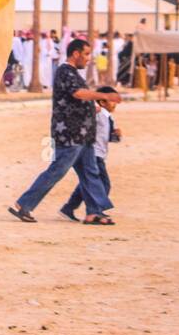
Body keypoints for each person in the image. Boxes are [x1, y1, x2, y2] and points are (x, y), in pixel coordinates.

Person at [9, 38, 120, 225]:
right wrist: (104, 96)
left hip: (83, 135)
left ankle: (94, 212)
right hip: (70, 135)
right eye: (85, 54)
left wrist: (92, 109)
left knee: (90, 173)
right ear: (75, 53)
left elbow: (75, 100)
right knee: (56, 171)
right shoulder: (65, 71)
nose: (88, 59)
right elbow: (78, 94)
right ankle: (24, 204)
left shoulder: (74, 73)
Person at [61, 85, 120, 221]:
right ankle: (96, 210)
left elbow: (108, 137)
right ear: (102, 101)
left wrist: (116, 135)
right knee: (103, 184)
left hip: (100, 153)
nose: (115, 104)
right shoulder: (98, 112)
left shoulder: (109, 117)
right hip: (93, 153)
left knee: (87, 183)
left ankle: (69, 207)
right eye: (111, 100)